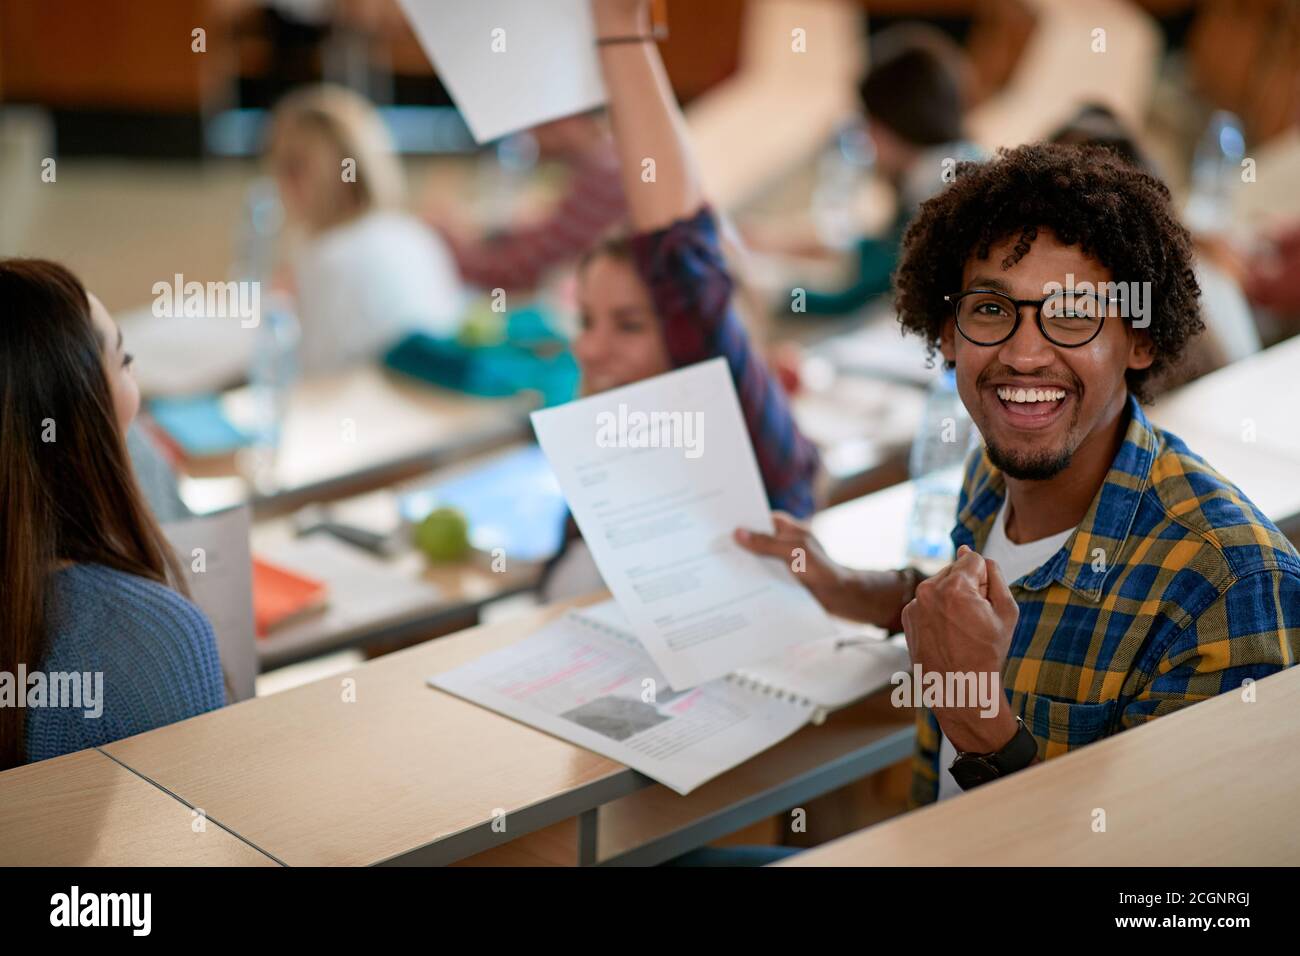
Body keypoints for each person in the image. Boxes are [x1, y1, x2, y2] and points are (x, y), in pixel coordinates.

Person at [738, 143, 1300, 808]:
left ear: (1139, 340)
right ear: (947, 334)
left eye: (1072, 314)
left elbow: (1168, 895)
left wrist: (980, 723)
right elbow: (1012, 608)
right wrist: (854, 590)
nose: (1025, 353)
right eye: (989, 310)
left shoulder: (1230, 587)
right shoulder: (997, 469)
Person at [539, 0, 821, 603]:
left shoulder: (740, 431)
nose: (589, 346)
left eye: (630, 324)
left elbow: (682, 254)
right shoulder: (613, 428)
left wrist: (621, 34)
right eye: (587, 320)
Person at [0, 259, 226, 770]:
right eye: (124, 360)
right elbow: (212, 835)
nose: (136, 383)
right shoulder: (149, 640)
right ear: (88, 414)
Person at [767, 24, 982, 318]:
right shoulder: (958, 164)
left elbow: (857, 296)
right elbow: (879, 251)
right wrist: (777, 245)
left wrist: (773, 295)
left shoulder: (937, 192)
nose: (866, 141)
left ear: (893, 123)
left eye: (868, 124)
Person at [266, 84, 466, 374]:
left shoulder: (324, 257)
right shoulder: (412, 233)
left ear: (297, 177)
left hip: (371, 412)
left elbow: (311, 375)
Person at [428, 114, 628, 295]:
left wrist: (446, 242)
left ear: (563, 121)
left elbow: (515, 271)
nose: (529, 133)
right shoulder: (605, 164)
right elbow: (546, 237)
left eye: (537, 124)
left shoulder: (601, 180)